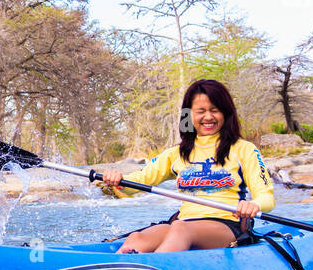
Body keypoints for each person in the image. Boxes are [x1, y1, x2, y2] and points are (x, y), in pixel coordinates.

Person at [95, 78, 274, 253]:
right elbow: (138, 182)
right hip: (184, 223)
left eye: (215, 110)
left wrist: (254, 205)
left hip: (227, 225)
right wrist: (118, 181)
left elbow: (267, 197)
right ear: (189, 114)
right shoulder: (177, 153)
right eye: (201, 111)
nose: (208, 117)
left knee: (180, 229)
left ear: (226, 113)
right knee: (137, 238)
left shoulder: (244, 149)